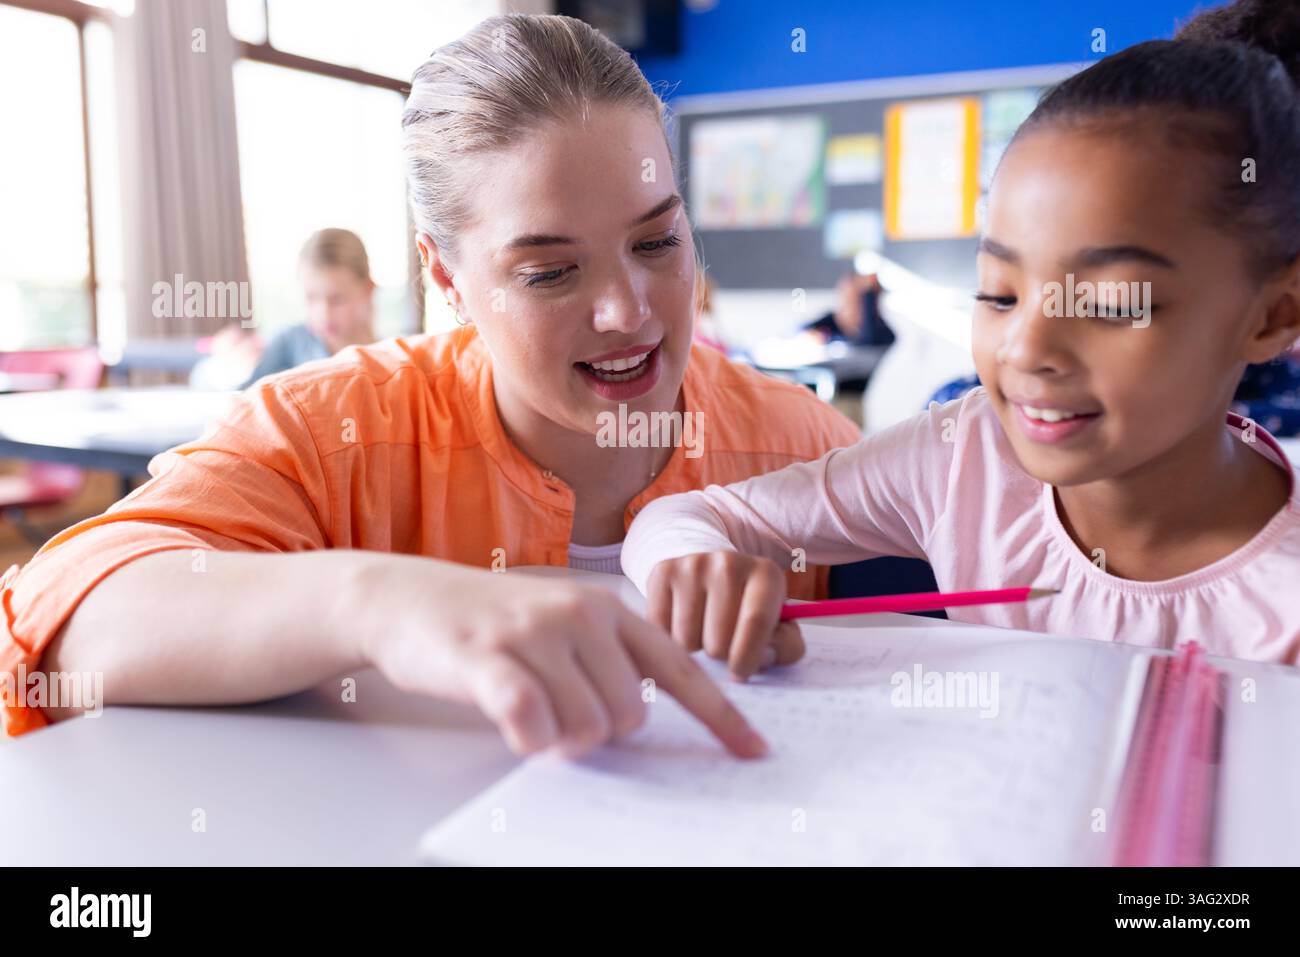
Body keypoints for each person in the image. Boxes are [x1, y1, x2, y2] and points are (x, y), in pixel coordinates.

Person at [0, 14, 860, 758]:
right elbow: (62, 613)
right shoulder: (331, 432)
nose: (628, 311)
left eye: (658, 243)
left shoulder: (802, 447)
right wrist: (384, 603)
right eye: (552, 271)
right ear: (443, 277)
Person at [622, 0, 1300, 672]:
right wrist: (691, 564)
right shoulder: (961, 457)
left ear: (1274, 316)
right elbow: (684, 516)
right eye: (998, 294)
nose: (1027, 349)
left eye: (1109, 302)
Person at [242, 228, 378, 387]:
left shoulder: (386, 359)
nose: (323, 314)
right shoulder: (287, 345)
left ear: (368, 290)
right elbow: (243, 401)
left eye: (337, 299)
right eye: (311, 297)